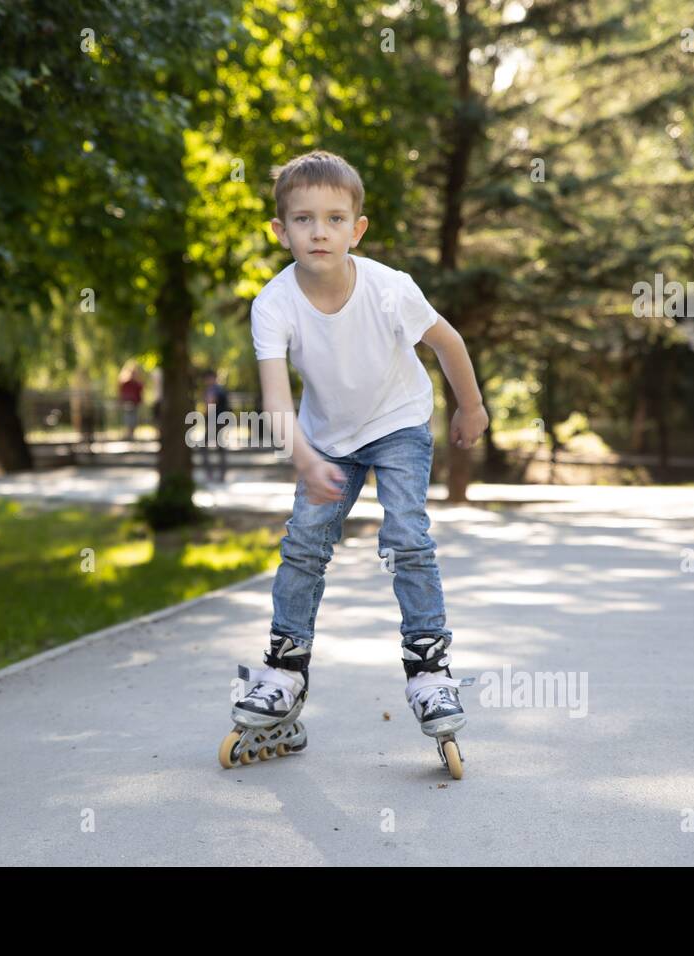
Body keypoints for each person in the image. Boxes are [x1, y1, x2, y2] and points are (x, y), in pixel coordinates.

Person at [231, 149, 489, 755]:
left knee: (405, 535)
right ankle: (284, 670)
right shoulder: (273, 303)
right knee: (303, 541)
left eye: (334, 218)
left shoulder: (388, 289)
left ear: (357, 228)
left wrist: (470, 407)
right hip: (326, 437)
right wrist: (305, 459)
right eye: (302, 219)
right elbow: (275, 401)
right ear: (279, 230)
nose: (319, 231)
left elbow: (448, 343)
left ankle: (429, 670)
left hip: (397, 421)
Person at [199, 368, 230, 482]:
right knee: (221, 449)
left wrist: (205, 414)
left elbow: (210, 404)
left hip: (215, 422)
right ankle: (220, 475)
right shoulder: (220, 389)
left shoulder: (213, 390)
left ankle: (211, 474)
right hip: (222, 422)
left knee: (204, 448)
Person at [117, 360, 144, 442]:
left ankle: (131, 433)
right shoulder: (125, 382)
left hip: (134, 402)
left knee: (132, 418)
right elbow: (121, 391)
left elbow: (140, 390)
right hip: (128, 401)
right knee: (129, 417)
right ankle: (129, 433)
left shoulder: (135, 383)